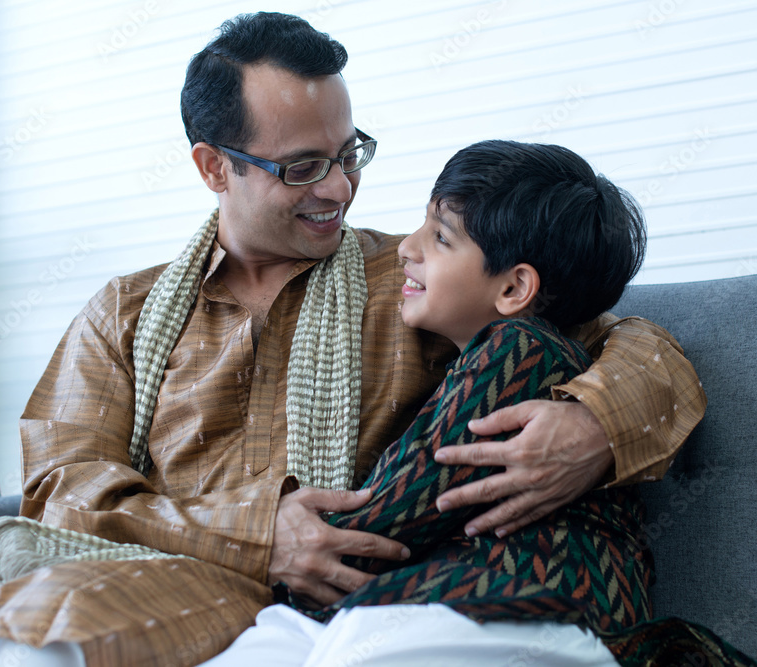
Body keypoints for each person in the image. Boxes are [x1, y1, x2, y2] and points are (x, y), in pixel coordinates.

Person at [0, 12, 706, 667]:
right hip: (121, 565)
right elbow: (63, 487)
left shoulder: (413, 281)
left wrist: (593, 424)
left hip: (249, 607)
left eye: (350, 153)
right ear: (214, 166)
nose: (339, 188)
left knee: (51, 624)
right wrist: (258, 532)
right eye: (302, 166)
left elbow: (626, 339)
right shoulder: (124, 311)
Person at [205, 140, 752, 666]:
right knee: (271, 639)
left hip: (530, 606)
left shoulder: (521, 350)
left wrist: (265, 545)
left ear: (514, 289)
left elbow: (396, 508)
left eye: (440, 237)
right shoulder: (501, 354)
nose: (407, 248)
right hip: (455, 603)